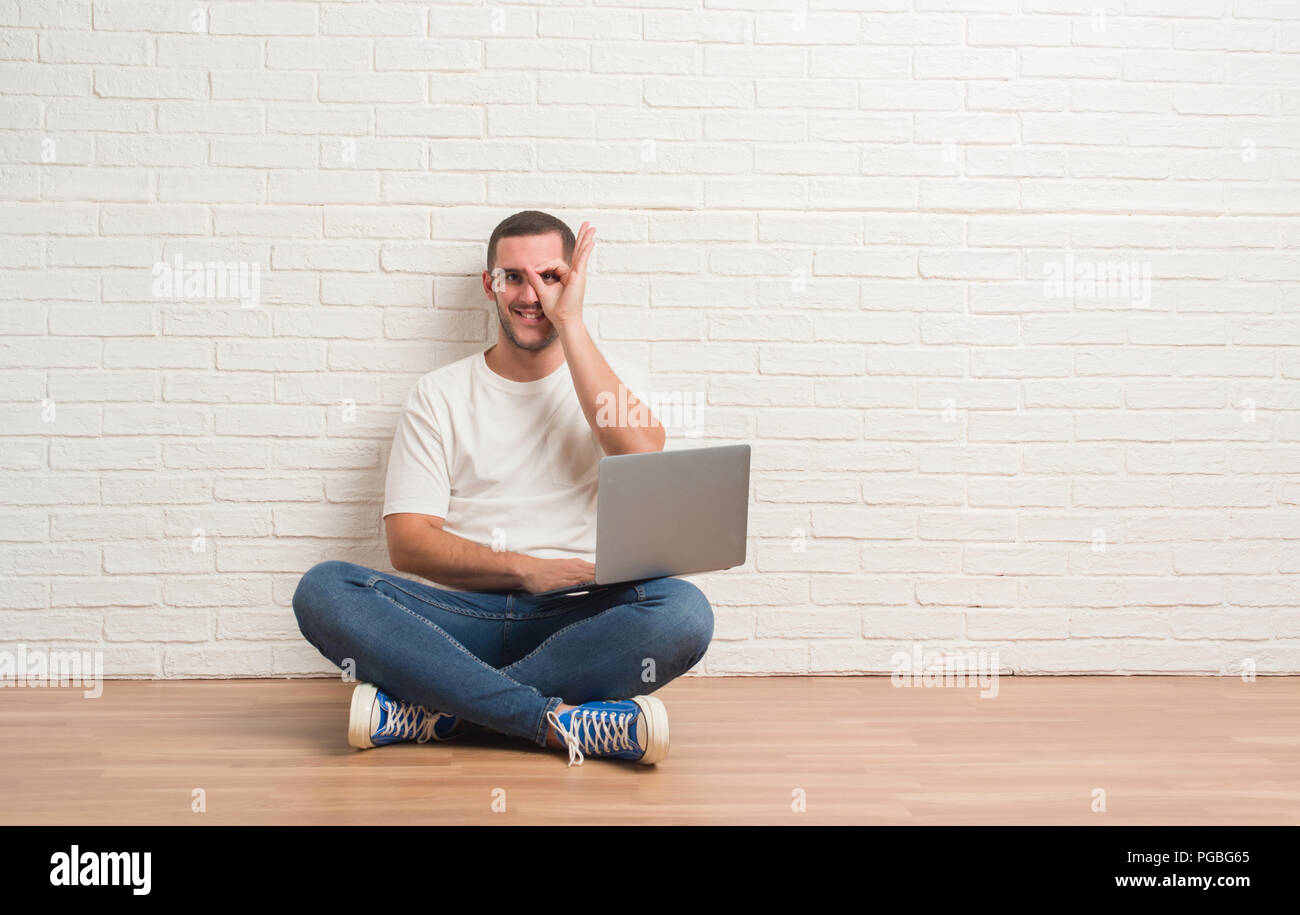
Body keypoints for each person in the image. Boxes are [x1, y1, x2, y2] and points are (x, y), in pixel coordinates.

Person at [292, 210, 715, 767]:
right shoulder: (437, 395)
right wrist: (526, 568)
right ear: (489, 285)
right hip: (458, 620)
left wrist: (574, 324)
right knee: (324, 589)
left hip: (576, 618)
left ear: (574, 283)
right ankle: (551, 722)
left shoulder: (609, 380)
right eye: (512, 276)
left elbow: (640, 454)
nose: (531, 293)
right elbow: (410, 545)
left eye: (551, 277)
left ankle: (435, 713)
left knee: (683, 610)